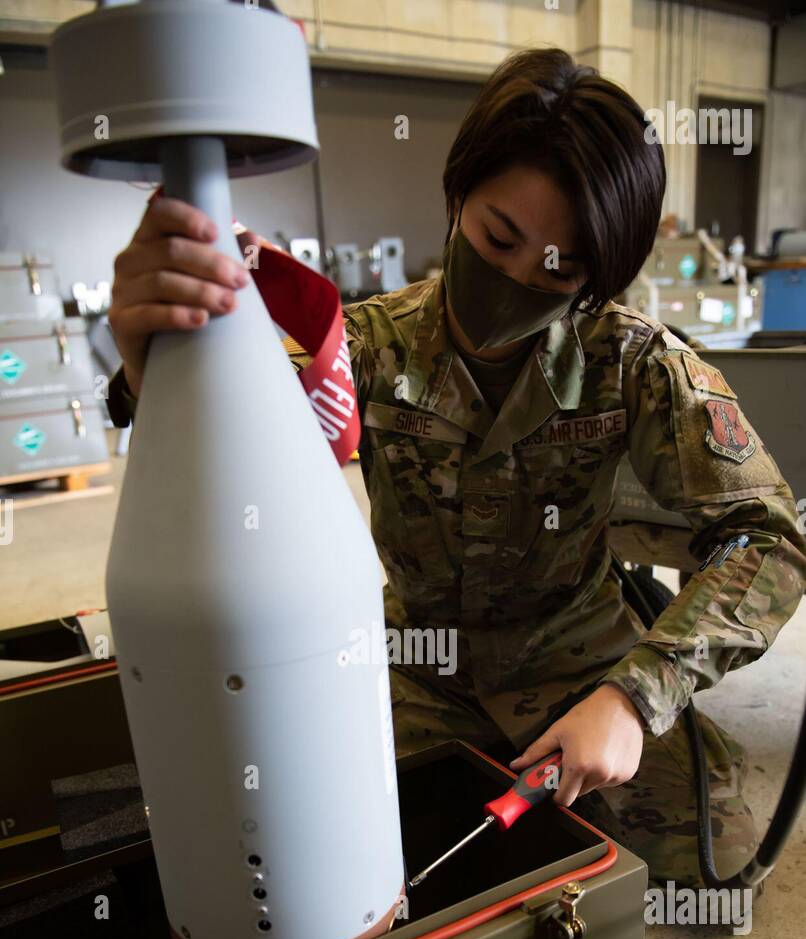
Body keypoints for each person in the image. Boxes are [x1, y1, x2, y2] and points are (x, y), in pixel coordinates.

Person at [106, 47, 806, 890]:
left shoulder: (634, 363)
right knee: (328, 860)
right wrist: (159, 365)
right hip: (415, 665)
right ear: (458, 196)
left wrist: (637, 696)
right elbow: (218, 464)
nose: (515, 278)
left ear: (598, 278)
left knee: (710, 865)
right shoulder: (363, 345)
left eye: (561, 268)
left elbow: (771, 539)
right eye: (497, 237)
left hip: (577, 658)